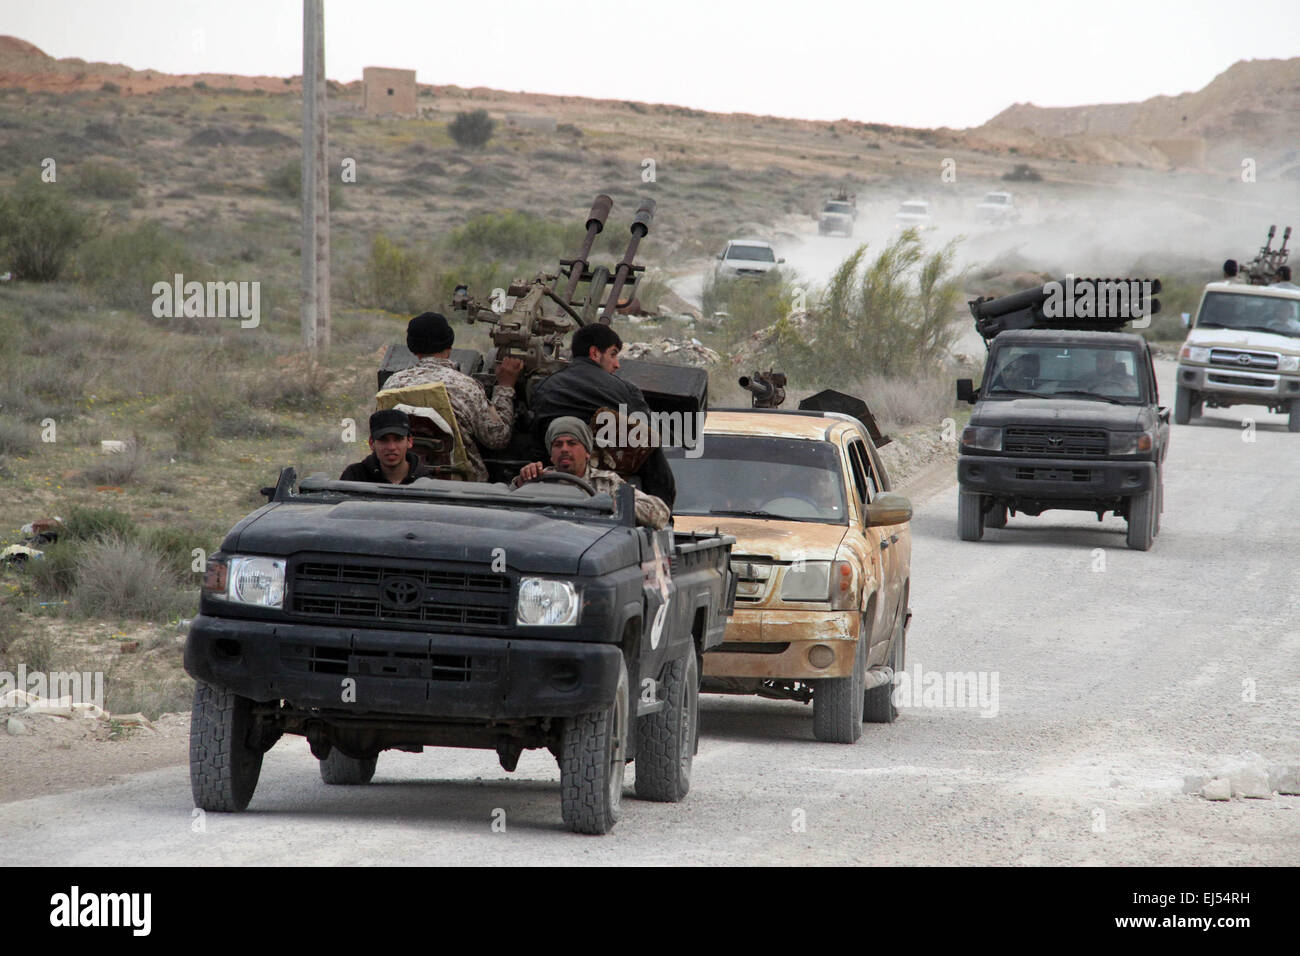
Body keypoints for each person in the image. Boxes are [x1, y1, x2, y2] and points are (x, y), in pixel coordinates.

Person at [529, 323, 676, 507]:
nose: (617, 364)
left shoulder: (544, 387)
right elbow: (650, 436)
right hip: (607, 493)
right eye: (613, 354)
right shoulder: (624, 390)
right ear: (595, 353)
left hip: (551, 487)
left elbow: (534, 437)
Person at [381, 311, 523, 482]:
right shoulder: (466, 386)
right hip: (460, 484)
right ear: (449, 346)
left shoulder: (392, 384)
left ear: (412, 348)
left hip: (403, 479)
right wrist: (505, 388)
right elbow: (498, 438)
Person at [512, 417, 670, 530]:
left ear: (588, 452)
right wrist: (522, 481)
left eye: (572, 443)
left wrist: (613, 506)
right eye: (558, 444)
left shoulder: (607, 482)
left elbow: (660, 513)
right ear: (551, 455)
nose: (565, 449)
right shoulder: (538, 480)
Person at [340, 409, 432, 484]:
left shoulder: (425, 482)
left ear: (409, 441)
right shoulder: (354, 477)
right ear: (371, 443)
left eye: (398, 439)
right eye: (383, 440)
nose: (391, 447)